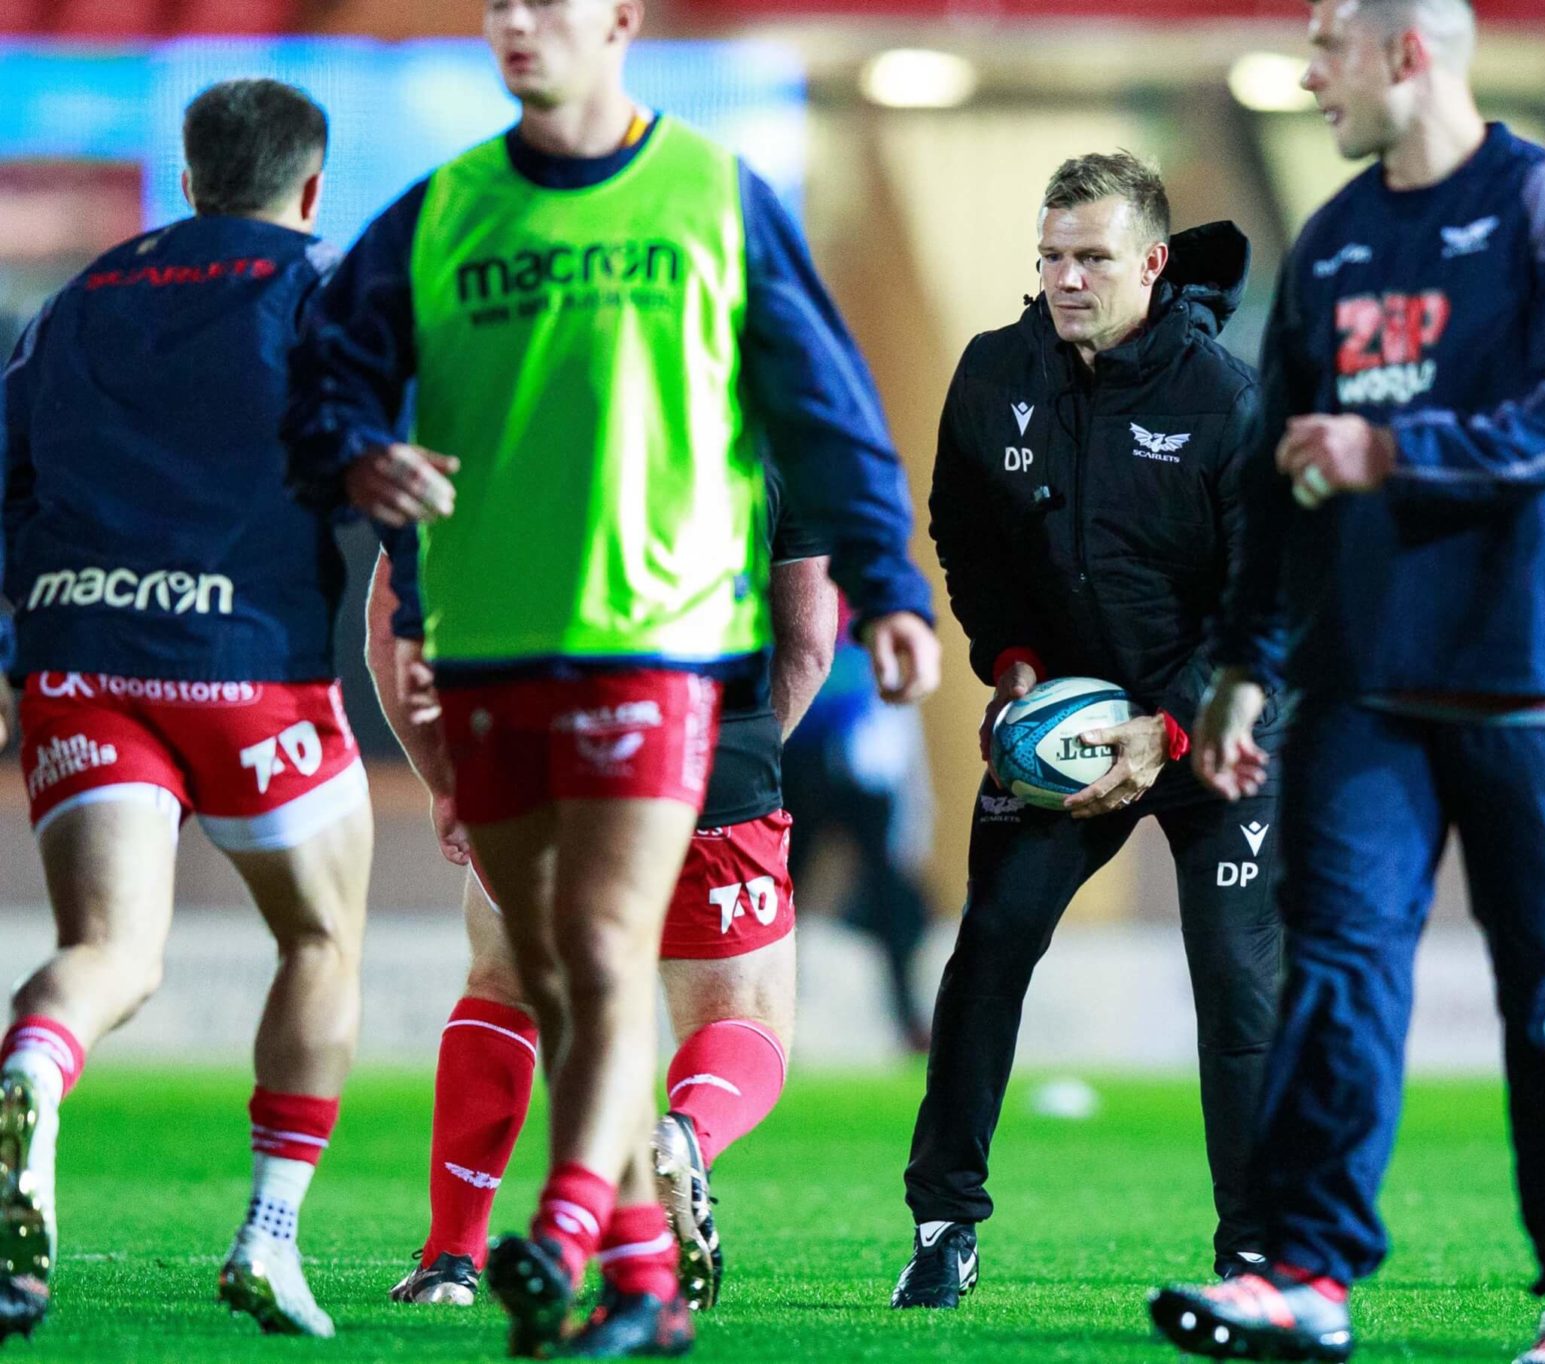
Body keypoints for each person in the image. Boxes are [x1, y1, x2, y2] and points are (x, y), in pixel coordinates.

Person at [283, 1, 939, 1355]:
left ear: (624, 21)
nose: (518, 24)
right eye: (501, 5)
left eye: (551, 3)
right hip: (498, 661)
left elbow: (829, 408)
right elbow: (325, 375)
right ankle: (633, 1268)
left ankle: (573, 1228)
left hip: (656, 650)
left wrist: (892, 584)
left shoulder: (712, 197)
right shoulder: (445, 210)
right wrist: (352, 450)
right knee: (559, 964)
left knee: (579, 954)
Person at [1149, 3, 1545, 1362]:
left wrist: (1393, 450)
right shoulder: (1333, 244)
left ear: (1408, 54)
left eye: (1330, 46)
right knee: (1337, 970)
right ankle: (1307, 1274)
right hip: (1364, 682)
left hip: (1533, 677)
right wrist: (1245, 663)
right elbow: (1277, 480)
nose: (1310, 73)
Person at [0, 79, 369, 1341]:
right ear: (309, 185)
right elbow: (386, 467)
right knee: (318, 937)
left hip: (78, 652)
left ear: (191, 172)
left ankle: (33, 1066)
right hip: (246, 658)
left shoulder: (79, 298)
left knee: (113, 950)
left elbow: (8, 478)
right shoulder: (328, 288)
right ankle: (268, 1235)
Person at [892, 152, 1283, 1309]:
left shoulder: (1228, 400)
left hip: (1214, 724)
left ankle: (1255, 1252)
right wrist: (1010, 659)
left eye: (1093, 259)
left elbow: (1270, 598)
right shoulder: (992, 373)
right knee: (990, 949)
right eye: (1052, 257)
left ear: (1153, 264)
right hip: (1066, 721)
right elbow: (964, 535)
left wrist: (1169, 727)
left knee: (1238, 981)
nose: (1067, 279)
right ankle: (942, 1224)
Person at [371, 469, 836, 1313]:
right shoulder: (768, 426)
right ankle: (686, 1135)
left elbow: (396, 633)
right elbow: (808, 642)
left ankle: (451, 1259)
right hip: (712, 755)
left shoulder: (485, 411)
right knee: (742, 1014)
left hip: (534, 759)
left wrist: (444, 777)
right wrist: (740, 763)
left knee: (507, 988)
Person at [782, 617, 938, 1053]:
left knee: (890, 897)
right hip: (798, 756)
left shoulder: (871, 606)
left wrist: (914, 816)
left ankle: (908, 1017)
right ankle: (771, 1015)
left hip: (863, 761)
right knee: (778, 896)